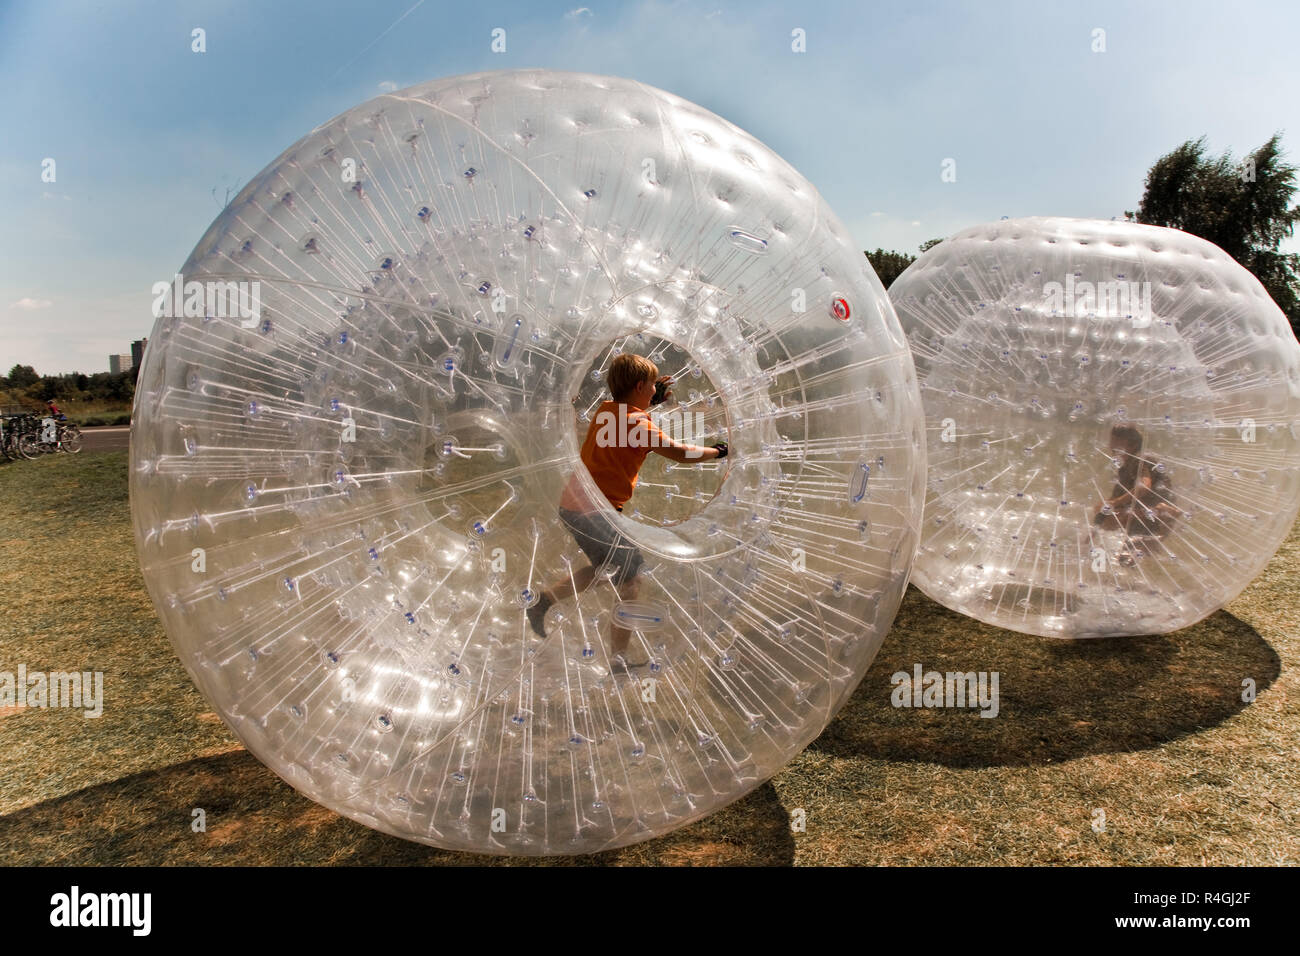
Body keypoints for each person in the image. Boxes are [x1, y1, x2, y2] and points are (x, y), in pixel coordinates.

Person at [527, 353, 727, 668]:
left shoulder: (605, 412)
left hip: (576, 507)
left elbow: (628, 418)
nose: (654, 392)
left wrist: (651, 401)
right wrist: (718, 451)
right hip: (594, 511)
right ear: (638, 386)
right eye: (651, 386)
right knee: (630, 579)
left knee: (609, 569)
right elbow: (682, 453)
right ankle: (617, 659)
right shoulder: (638, 422)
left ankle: (544, 601)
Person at [1092, 424, 1179, 551]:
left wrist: (1116, 502)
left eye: (1117, 442)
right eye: (1112, 441)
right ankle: (1151, 535)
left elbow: (1144, 487)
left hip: (1154, 513)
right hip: (1145, 514)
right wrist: (1093, 533)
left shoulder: (1139, 460)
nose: (1111, 446)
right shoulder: (1125, 466)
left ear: (1132, 445)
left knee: (1115, 520)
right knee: (1102, 511)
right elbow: (1109, 503)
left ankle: (1164, 511)